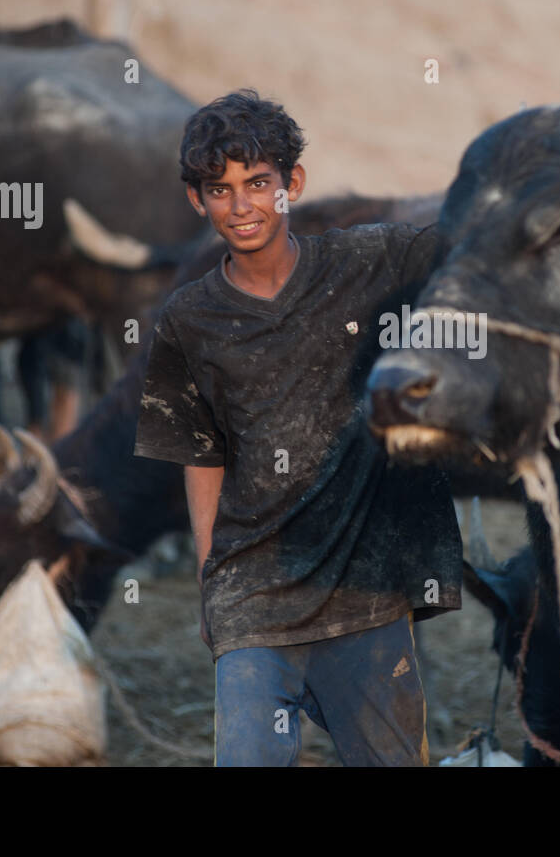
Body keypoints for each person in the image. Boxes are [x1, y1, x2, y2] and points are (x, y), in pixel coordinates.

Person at [133, 89, 462, 766]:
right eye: (219, 190)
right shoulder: (188, 320)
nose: (242, 205)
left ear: (293, 184)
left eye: (258, 183)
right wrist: (210, 582)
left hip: (366, 593)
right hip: (254, 594)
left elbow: (470, 244)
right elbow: (202, 453)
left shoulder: (372, 266)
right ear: (198, 201)